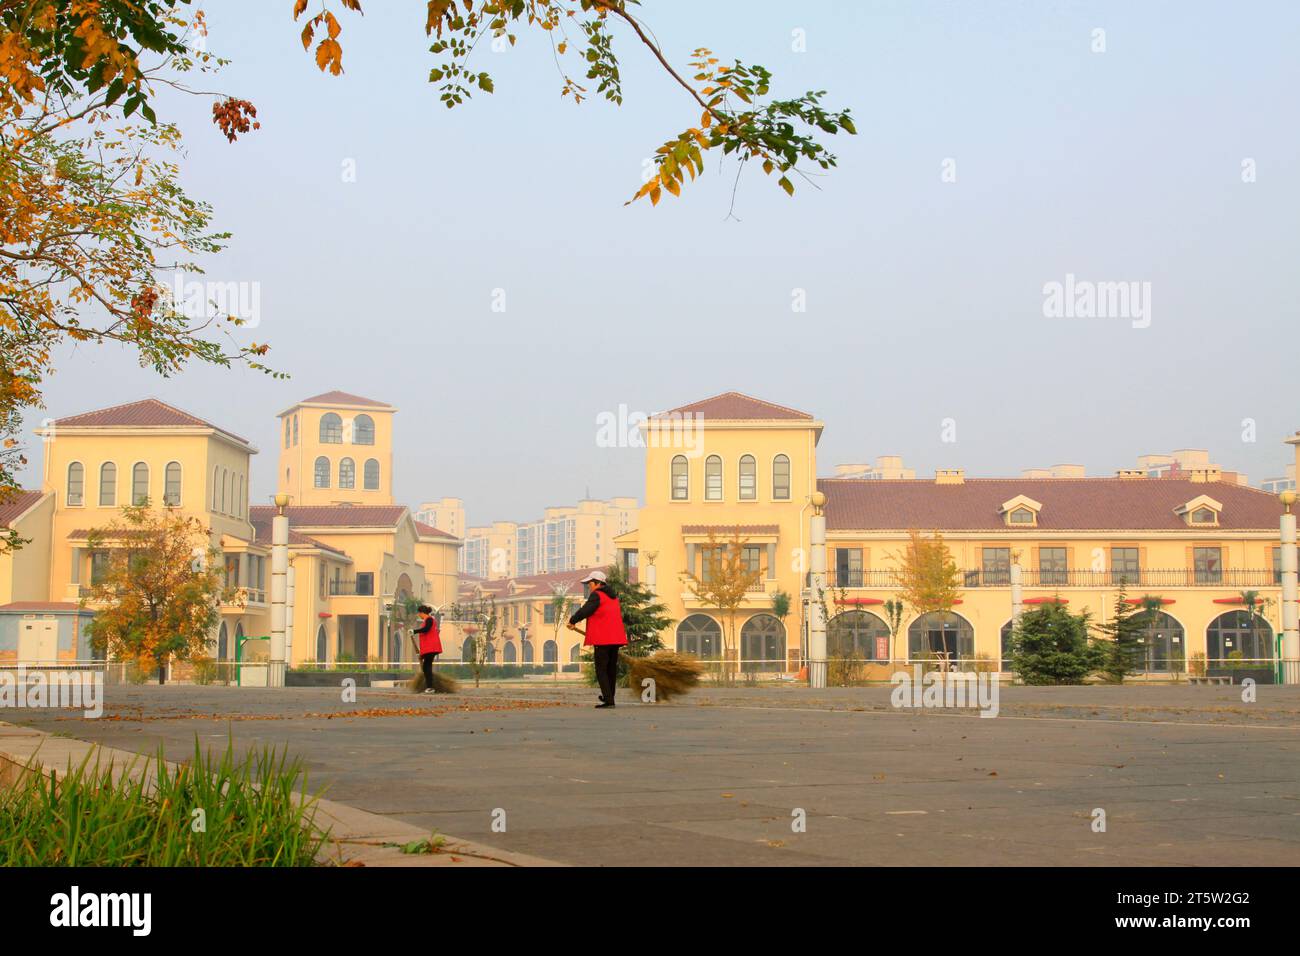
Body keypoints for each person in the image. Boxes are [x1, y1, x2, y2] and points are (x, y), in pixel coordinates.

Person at [568, 570, 627, 708]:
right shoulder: (613, 597)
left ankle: (608, 700)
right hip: (615, 638)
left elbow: (586, 610)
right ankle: (609, 697)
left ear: (598, 583)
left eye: (590, 583)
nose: (589, 586)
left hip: (603, 638)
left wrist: (573, 620)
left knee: (601, 669)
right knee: (610, 669)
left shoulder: (597, 595)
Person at [413, 605, 441, 694]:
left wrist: (414, 631)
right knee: (426, 666)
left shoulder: (429, 619)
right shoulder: (427, 620)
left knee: (426, 667)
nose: (418, 615)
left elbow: (426, 629)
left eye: (419, 613)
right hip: (429, 647)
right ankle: (430, 686)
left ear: (421, 613)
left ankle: (430, 687)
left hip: (431, 647)